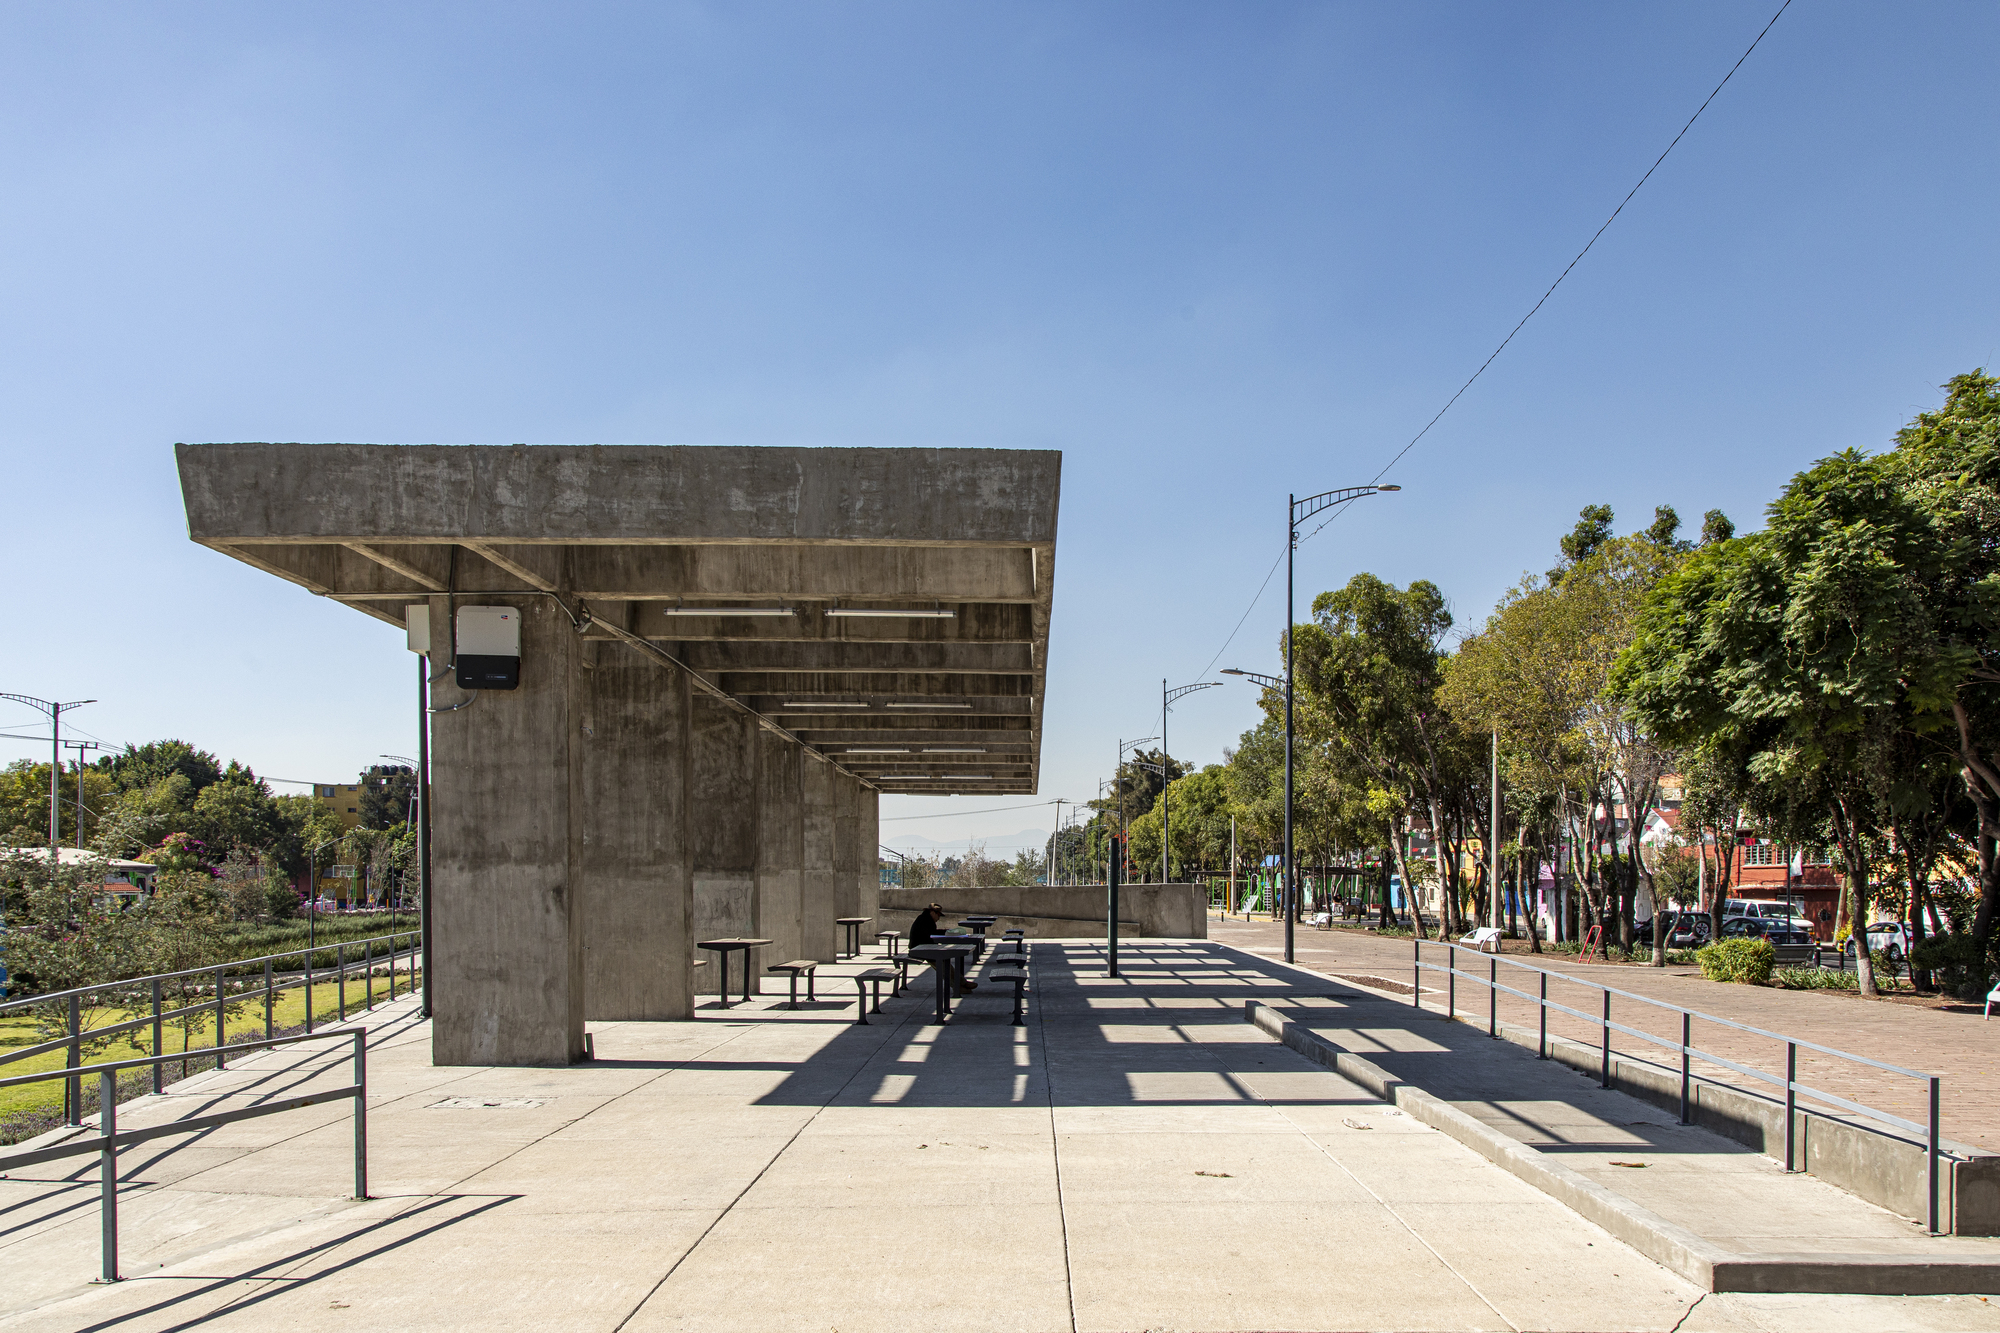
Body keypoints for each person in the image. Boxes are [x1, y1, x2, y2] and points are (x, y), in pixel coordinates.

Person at [907, 903, 976, 991]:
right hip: (918, 949)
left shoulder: (925, 919)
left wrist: (946, 932)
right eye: (938, 915)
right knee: (941, 964)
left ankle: (962, 983)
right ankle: (958, 986)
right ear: (932, 912)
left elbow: (933, 933)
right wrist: (947, 932)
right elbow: (933, 934)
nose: (938, 918)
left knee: (944, 961)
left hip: (924, 948)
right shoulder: (925, 920)